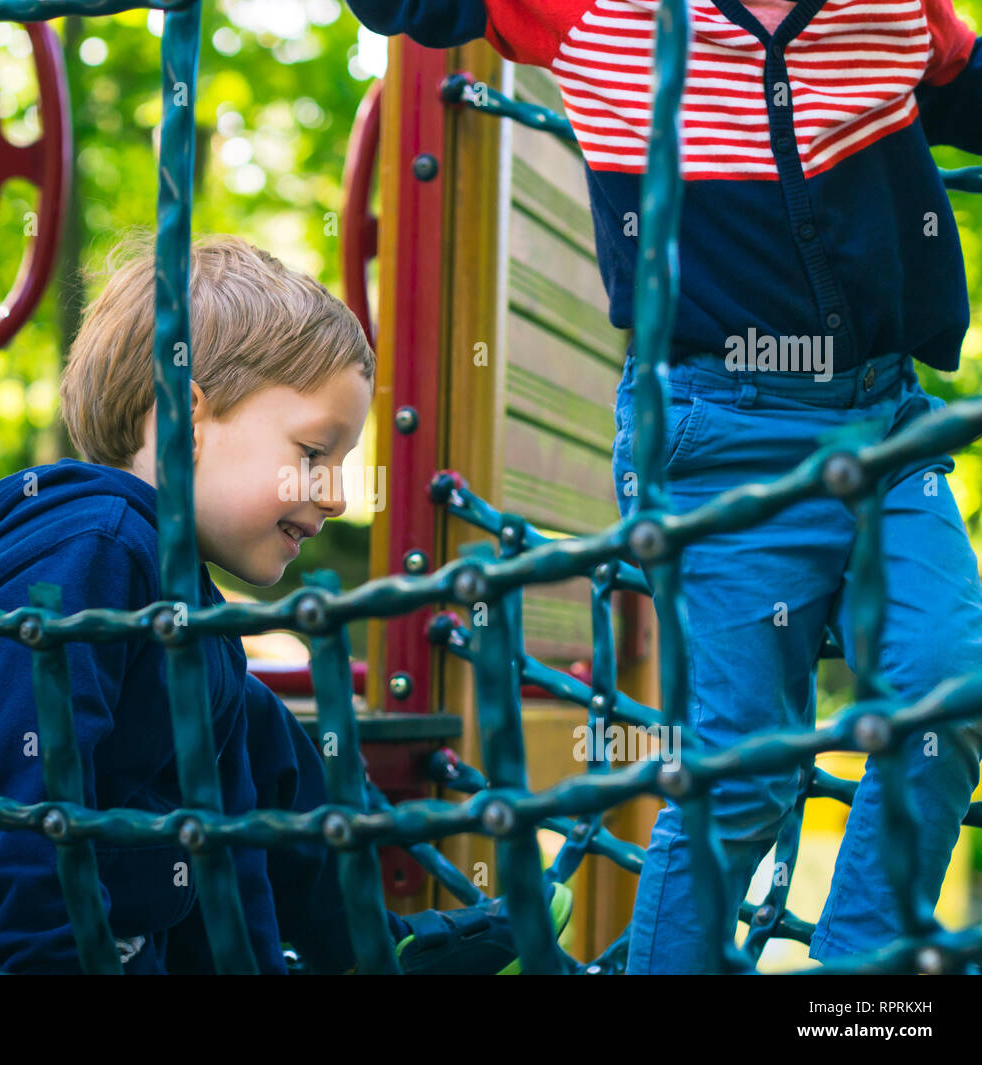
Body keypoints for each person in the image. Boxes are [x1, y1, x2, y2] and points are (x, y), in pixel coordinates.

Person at [346, 0, 982, 972]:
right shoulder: (592, 9)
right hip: (720, 432)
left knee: (951, 691)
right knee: (744, 772)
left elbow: (963, 93)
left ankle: (857, 988)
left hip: (889, 423)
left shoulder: (894, 8)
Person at [0, 232, 570, 974]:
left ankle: (365, 948)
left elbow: (229, 831)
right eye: (314, 453)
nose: (338, 495)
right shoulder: (91, 550)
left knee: (246, 715)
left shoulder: (164, 581)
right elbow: (20, 799)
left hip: (105, 920)